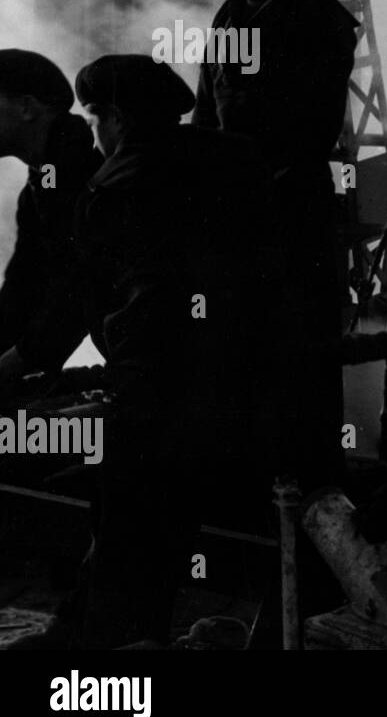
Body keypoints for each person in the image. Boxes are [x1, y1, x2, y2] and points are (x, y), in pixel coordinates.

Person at [73, 54, 274, 648]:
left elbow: (123, 303)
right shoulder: (237, 156)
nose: (94, 134)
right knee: (186, 539)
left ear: (112, 118)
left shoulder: (116, 186)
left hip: (156, 397)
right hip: (250, 390)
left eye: (93, 120)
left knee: (127, 552)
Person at [194, 0, 358, 495]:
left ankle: (313, 497)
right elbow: (208, 116)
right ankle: (246, 494)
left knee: (300, 365)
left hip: (291, 221)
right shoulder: (229, 15)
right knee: (235, 360)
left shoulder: (318, 20)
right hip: (232, 223)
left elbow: (307, 132)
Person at [0, 49, 101, 393]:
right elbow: (22, 284)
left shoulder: (83, 176)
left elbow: (80, 287)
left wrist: (19, 359)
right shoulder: (42, 180)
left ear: (27, 108)